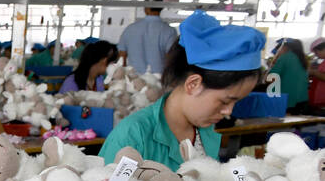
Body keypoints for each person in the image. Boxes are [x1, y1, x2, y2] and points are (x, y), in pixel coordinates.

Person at [99, 11, 262, 170]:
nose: (228, 112)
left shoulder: (204, 131)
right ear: (193, 84)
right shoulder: (133, 136)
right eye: (225, 101)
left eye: (236, 102)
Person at [117, 0, 178, 75]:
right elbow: (171, 59)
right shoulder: (169, 31)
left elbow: (121, 59)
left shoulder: (129, 29)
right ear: (162, 7)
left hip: (133, 81)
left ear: (146, 6)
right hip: (158, 82)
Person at [265, 39, 309, 112]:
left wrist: (271, 66)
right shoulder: (302, 59)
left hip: (286, 100)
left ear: (284, 48)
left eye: (278, 49)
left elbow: (270, 79)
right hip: (301, 100)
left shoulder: (285, 57)